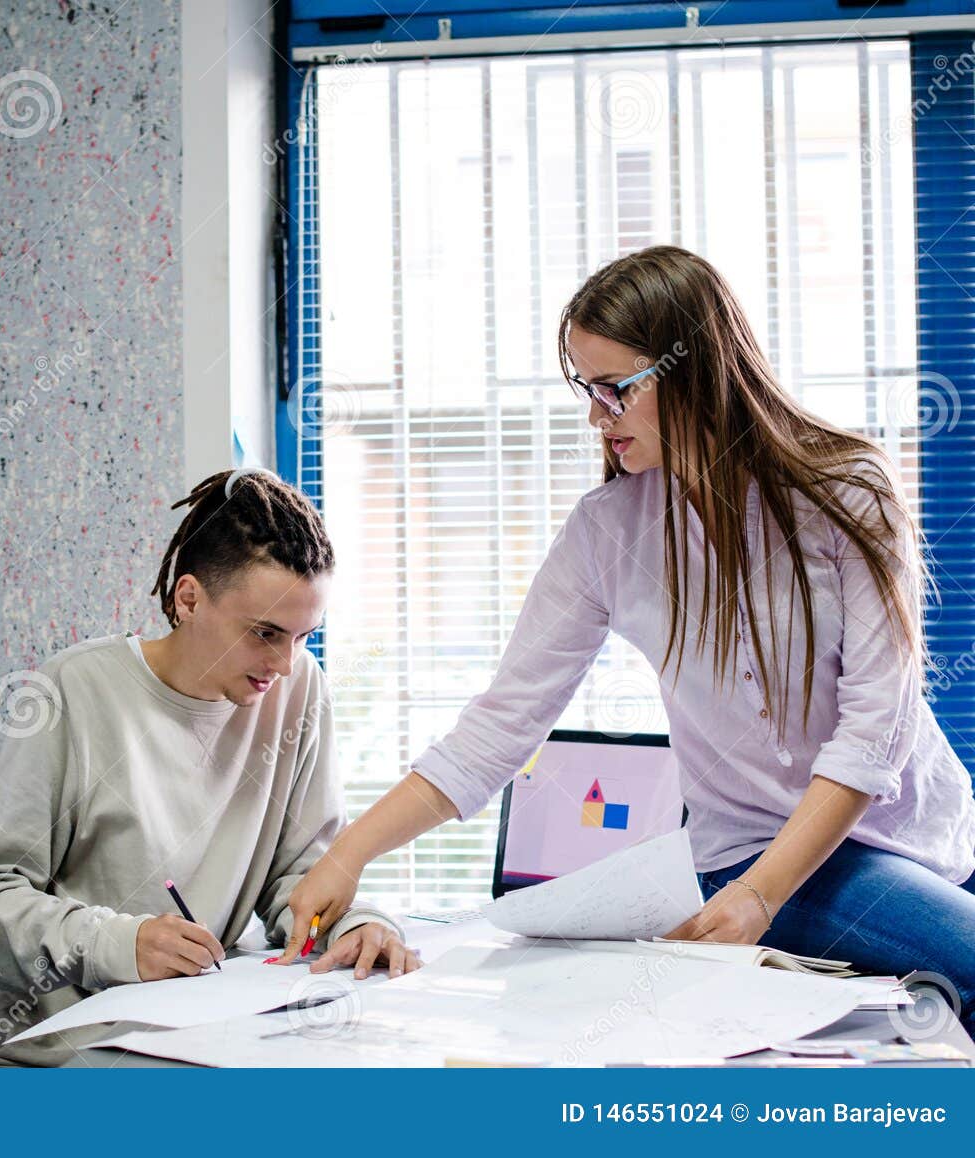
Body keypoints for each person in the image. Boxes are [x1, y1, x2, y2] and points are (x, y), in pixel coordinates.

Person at [279, 245, 975, 1036]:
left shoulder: (849, 492)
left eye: (616, 389)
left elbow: (874, 730)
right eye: (587, 388)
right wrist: (348, 855)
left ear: (696, 371)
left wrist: (758, 899)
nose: (594, 416)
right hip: (761, 854)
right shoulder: (607, 534)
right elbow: (500, 726)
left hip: (923, 832)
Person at [0, 468, 419, 1066]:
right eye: (265, 632)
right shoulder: (74, 691)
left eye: (305, 636)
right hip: (66, 1063)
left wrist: (350, 924)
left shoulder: (298, 690)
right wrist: (119, 943)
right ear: (188, 599)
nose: (285, 661)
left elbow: (299, 878)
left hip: (204, 1045)